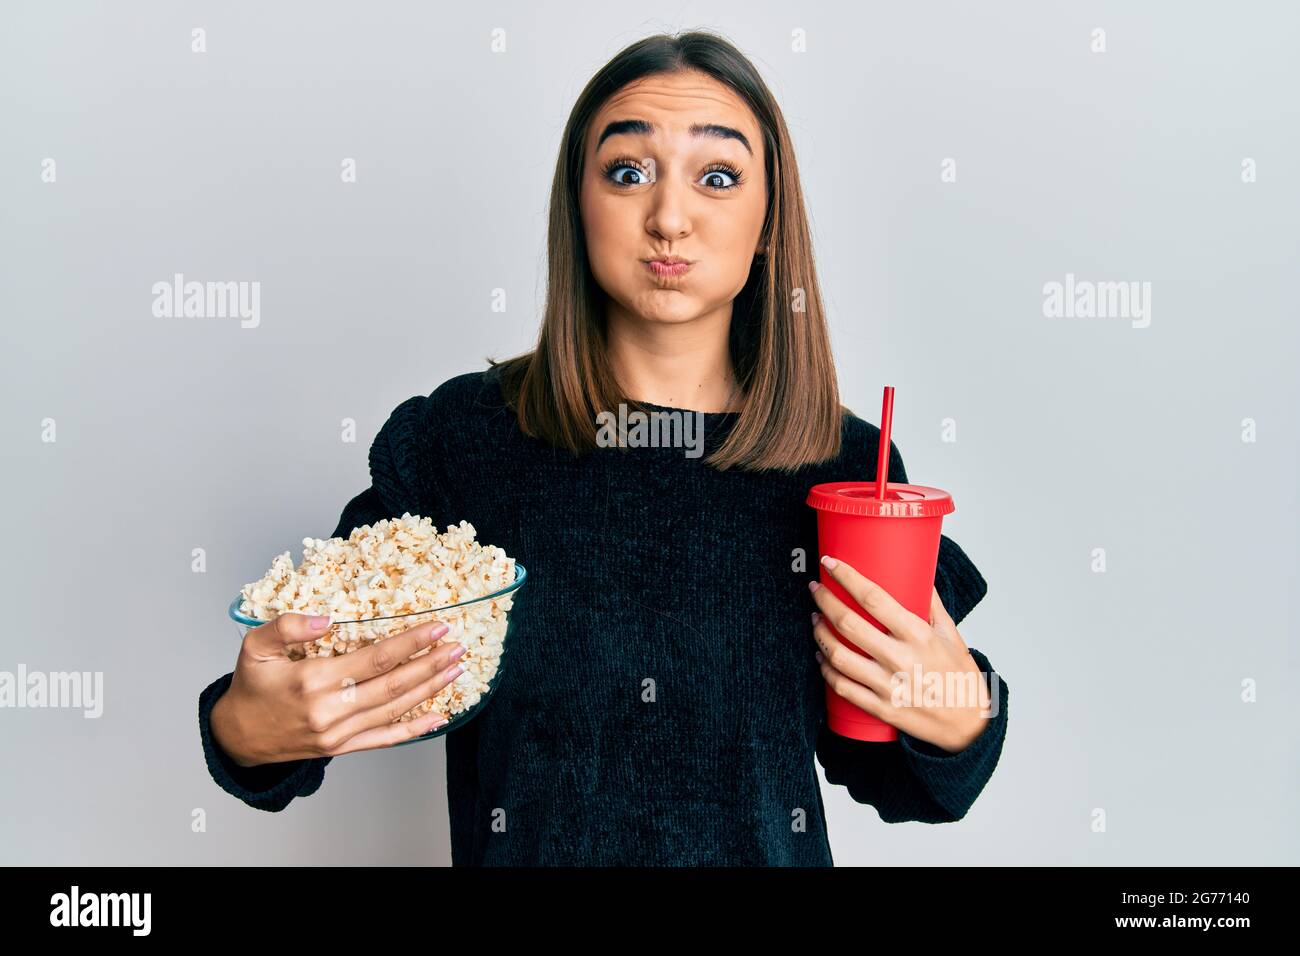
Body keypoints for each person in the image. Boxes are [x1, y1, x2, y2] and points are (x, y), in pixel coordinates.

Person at [200, 29, 1008, 866]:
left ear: (769, 221)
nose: (668, 216)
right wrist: (246, 730)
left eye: (718, 177)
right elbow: (296, 703)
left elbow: (897, 777)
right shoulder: (462, 442)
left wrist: (961, 716)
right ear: (576, 204)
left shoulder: (846, 472)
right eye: (627, 172)